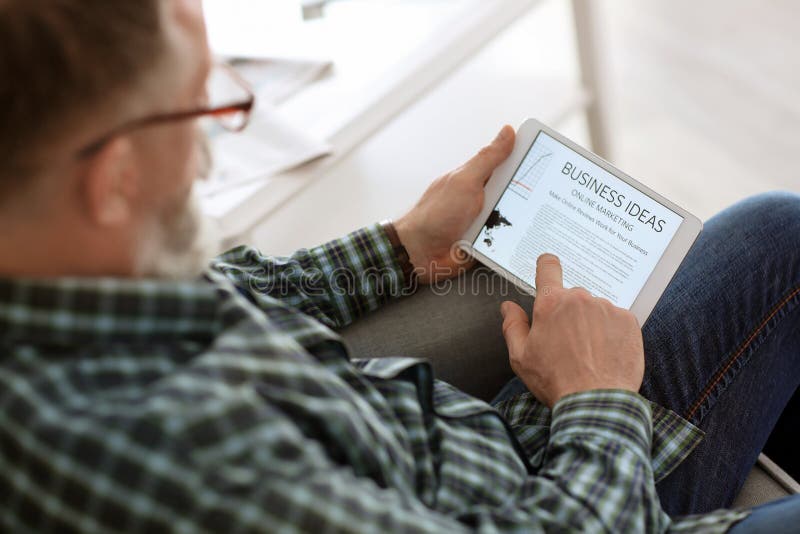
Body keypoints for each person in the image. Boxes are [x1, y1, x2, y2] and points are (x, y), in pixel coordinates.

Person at [0, 1, 798, 532]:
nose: (208, 151)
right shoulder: (181, 463)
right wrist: (596, 400)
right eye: (203, 104)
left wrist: (402, 244)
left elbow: (234, 289)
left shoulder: (67, 273)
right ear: (114, 180)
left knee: (778, 233)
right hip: (572, 506)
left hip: (477, 455)